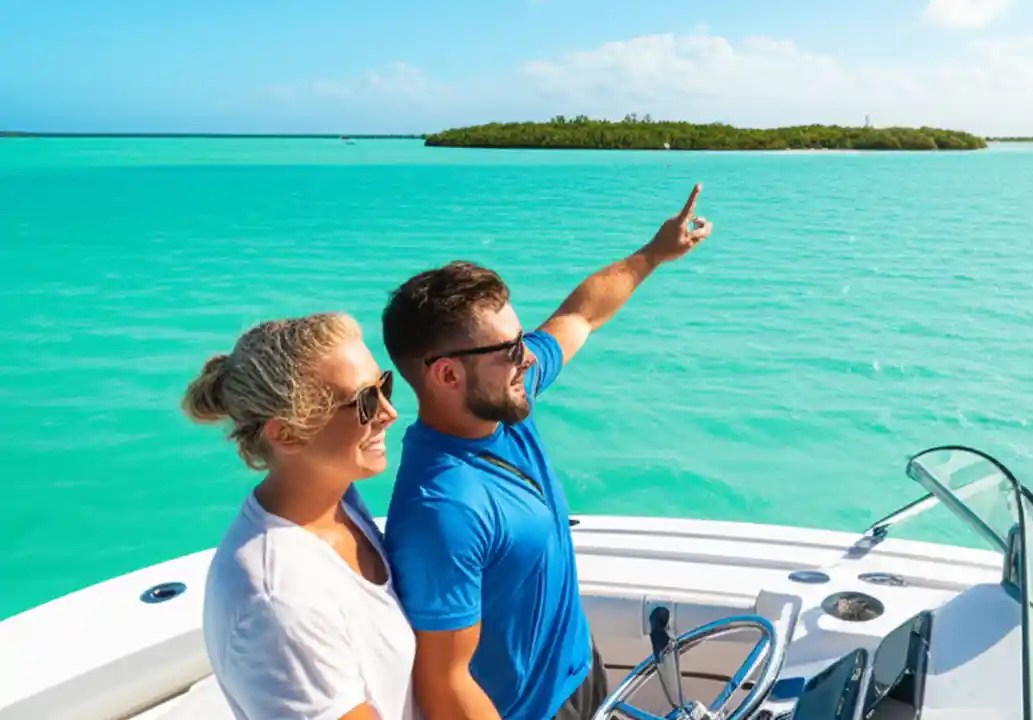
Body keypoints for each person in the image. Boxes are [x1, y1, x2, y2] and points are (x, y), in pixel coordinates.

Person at [381, 183, 713, 719]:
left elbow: (580, 315)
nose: (528, 358)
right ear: (446, 373)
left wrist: (654, 253)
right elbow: (444, 684)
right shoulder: (443, 509)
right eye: (511, 349)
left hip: (580, 669)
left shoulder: (504, 398)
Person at [183, 311, 418, 720]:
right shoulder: (279, 599)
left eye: (384, 387)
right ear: (287, 434)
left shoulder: (337, 502)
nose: (389, 412)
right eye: (365, 401)